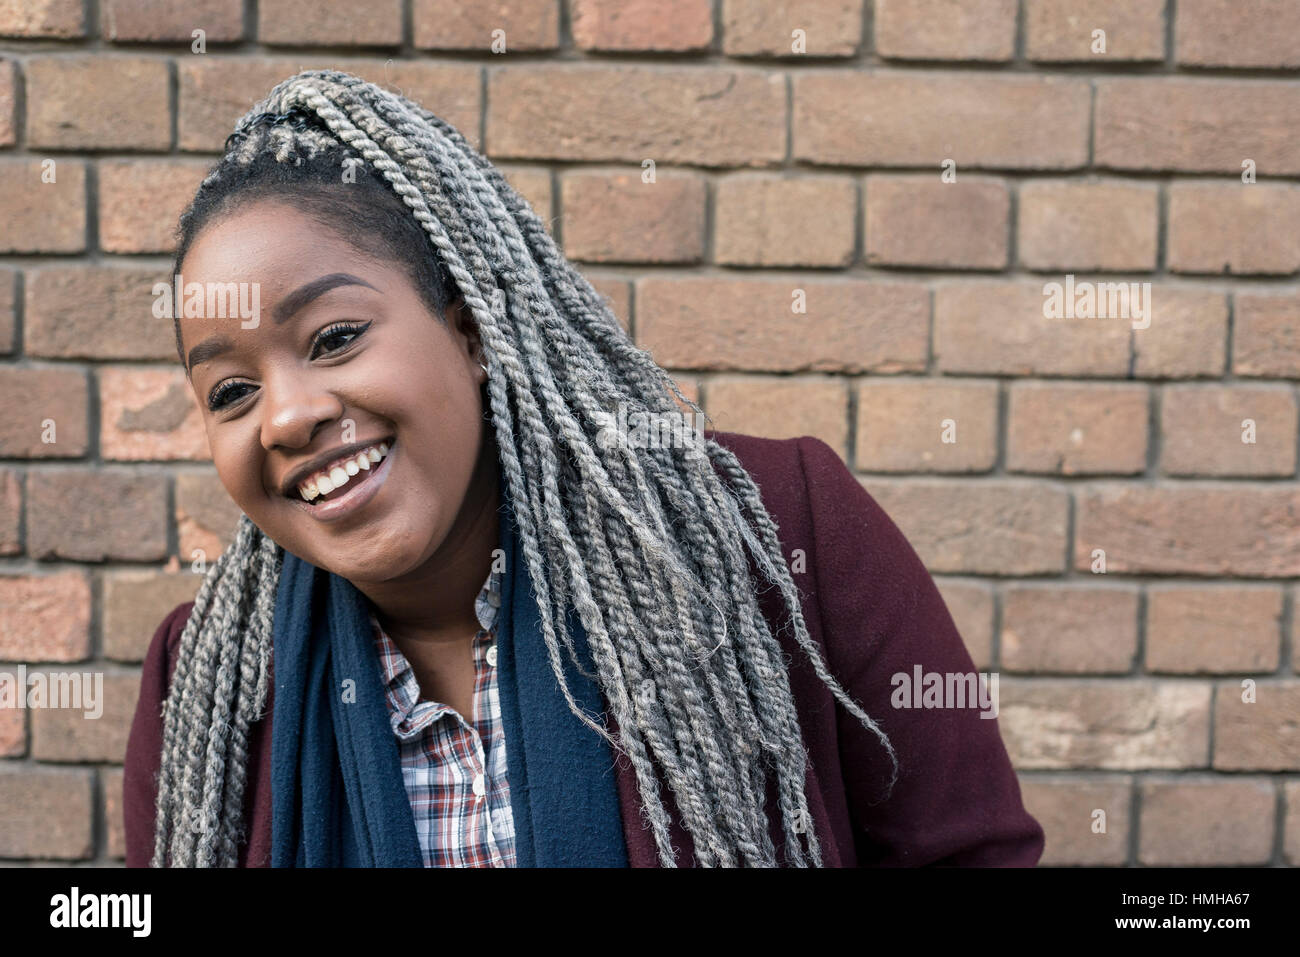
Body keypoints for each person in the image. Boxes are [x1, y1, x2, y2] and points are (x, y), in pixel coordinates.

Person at [123, 70, 1044, 868]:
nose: (287, 415)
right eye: (232, 392)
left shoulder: (781, 533)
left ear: (470, 327)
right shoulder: (206, 684)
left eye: (333, 337)